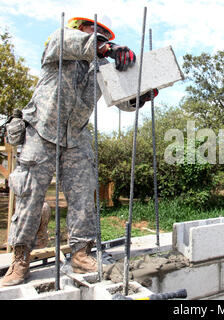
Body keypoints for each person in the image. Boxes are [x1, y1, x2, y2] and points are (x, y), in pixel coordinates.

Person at [1, 15, 157, 287]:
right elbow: (68, 41)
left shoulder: (102, 66)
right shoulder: (59, 45)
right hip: (41, 130)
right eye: (91, 30)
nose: (97, 36)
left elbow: (121, 99)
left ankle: (81, 253)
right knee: (30, 194)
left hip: (75, 136)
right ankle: (20, 258)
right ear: (79, 28)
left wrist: (140, 97)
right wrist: (106, 47)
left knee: (84, 191)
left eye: (102, 34)